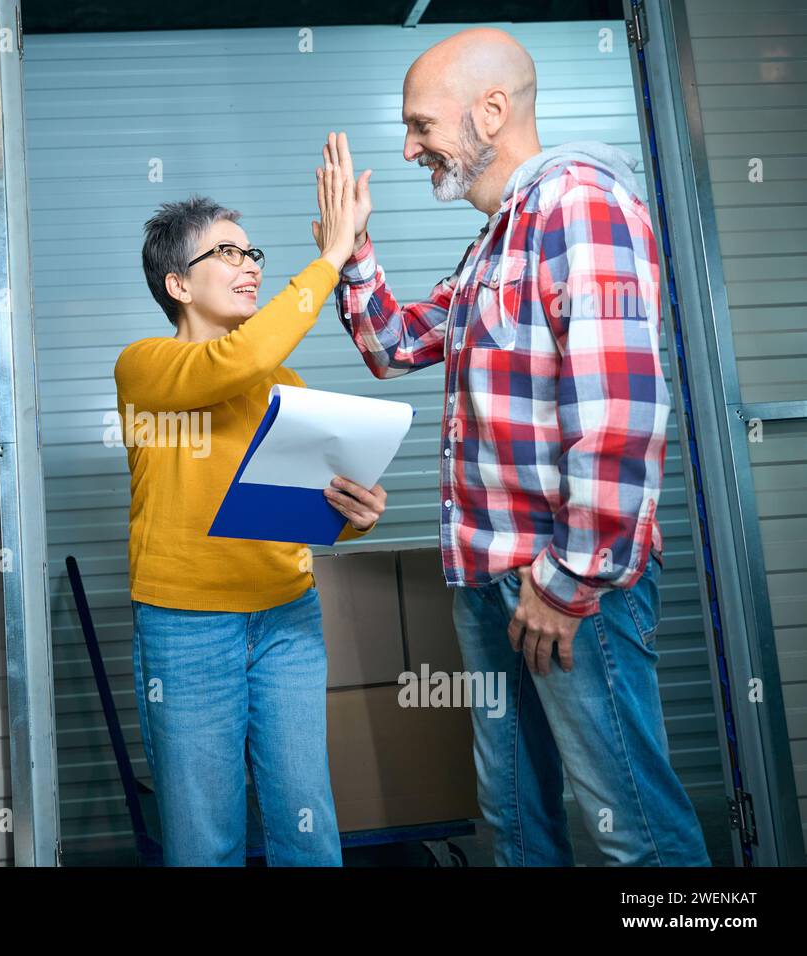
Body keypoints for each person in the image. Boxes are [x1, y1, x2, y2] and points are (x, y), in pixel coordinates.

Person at [324, 27, 709, 866]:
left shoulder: (580, 203)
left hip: (564, 585)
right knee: (515, 820)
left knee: (632, 831)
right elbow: (394, 345)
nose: (409, 145)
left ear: (490, 111)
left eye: (422, 124)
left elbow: (620, 413)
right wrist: (350, 248)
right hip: (488, 582)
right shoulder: (497, 241)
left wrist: (568, 586)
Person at [113, 166, 386, 866]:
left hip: (286, 620)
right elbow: (239, 359)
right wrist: (331, 258)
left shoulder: (283, 384)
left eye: (252, 253)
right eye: (227, 253)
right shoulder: (145, 367)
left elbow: (301, 508)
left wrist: (355, 511)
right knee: (206, 838)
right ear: (178, 284)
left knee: (307, 827)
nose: (249, 265)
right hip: (185, 627)